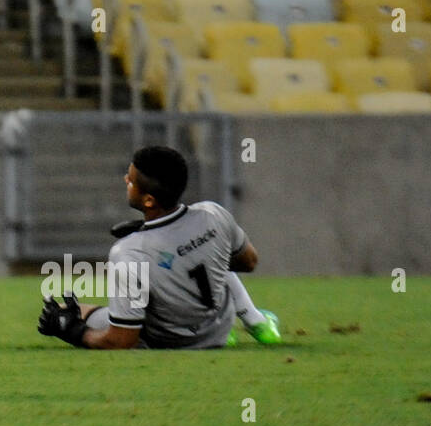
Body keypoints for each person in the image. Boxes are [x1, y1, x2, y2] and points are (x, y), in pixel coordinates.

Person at [38, 145, 281, 350]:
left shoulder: (130, 252)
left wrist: (75, 332)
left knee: (69, 311)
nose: (126, 180)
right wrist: (182, 249)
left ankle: (249, 320)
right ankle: (254, 319)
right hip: (218, 327)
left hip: (173, 340)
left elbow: (122, 340)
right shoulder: (213, 214)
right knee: (214, 253)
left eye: (131, 180)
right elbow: (248, 262)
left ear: (149, 200)